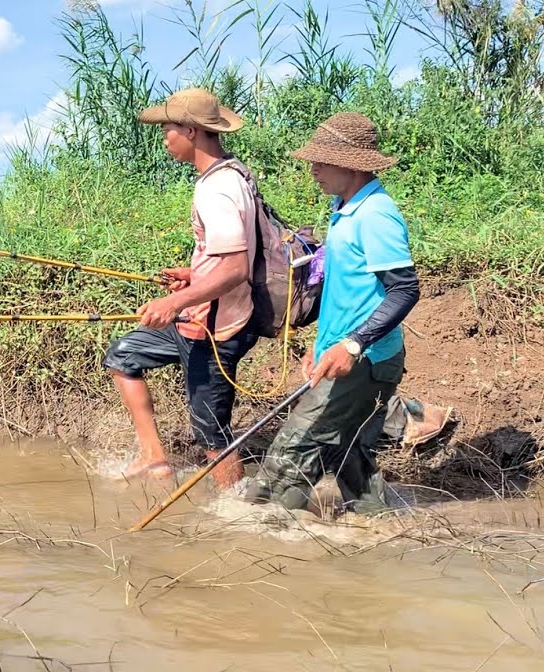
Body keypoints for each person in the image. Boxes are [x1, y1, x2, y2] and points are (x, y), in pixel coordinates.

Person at [241, 112, 450, 515]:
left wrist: (352, 345)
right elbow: (347, 291)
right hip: (350, 354)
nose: (313, 170)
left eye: (322, 162)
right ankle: (380, 526)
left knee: (291, 454)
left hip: (365, 360)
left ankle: (260, 530)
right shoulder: (345, 207)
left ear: (351, 165)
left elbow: (405, 290)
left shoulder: (375, 215)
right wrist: (321, 345)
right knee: (348, 454)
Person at [101, 88, 258, 491]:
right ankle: (154, 458)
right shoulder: (233, 173)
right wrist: (193, 275)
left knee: (211, 432)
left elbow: (237, 268)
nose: (164, 138)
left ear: (190, 131)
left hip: (216, 327)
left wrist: (175, 300)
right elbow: (231, 255)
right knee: (122, 356)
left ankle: (236, 507)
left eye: (167, 130)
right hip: (198, 315)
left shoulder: (217, 188)